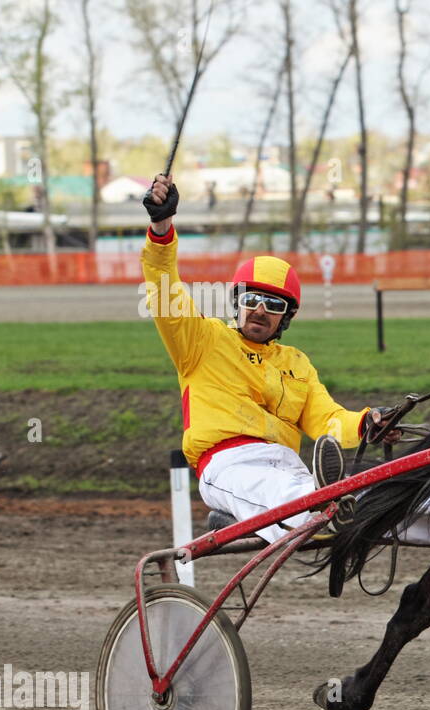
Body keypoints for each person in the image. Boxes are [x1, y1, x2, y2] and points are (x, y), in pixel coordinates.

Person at [140, 172, 410, 543]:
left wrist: (368, 424)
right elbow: (163, 285)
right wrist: (161, 226)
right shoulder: (200, 340)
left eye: (273, 304)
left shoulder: (296, 364)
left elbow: (328, 421)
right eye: (251, 300)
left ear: (287, 316)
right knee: (302, 502)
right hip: (229, 466)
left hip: (291, 467)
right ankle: (325, 511)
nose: (260, 310)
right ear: (237, 302)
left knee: (395, 502)